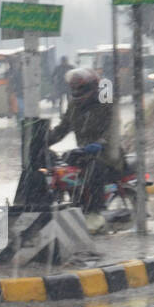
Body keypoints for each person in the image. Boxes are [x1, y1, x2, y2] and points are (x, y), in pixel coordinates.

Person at [47, 67, 122, 234]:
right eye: (74, 88)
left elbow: (113, 128)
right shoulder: (74, 105)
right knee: (63, 168)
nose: (77, 91)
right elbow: (63, 128)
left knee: (94, 169)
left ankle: (95, 212)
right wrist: (44, 141)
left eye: (81, 88)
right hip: (84, 152)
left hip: (108, 152)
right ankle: (76, 205)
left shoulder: (106, 101)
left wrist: (101, 143)